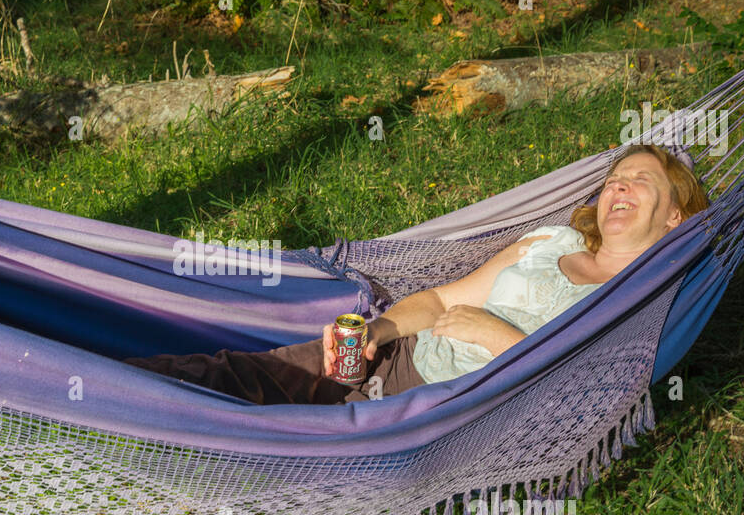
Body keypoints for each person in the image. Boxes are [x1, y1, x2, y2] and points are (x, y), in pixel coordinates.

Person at [123, 144, 710, 404]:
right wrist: (376, 333)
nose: (619, 187)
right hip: (400, 360)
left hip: (446, 410)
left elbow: (592, 390)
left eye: (640, 182)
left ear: (674, 216)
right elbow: (436, 300)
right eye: (614, 179)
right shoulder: (551, 241)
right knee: (238, 375)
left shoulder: (644, 296)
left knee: (274, 437)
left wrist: (495, 335)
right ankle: (92, 390)